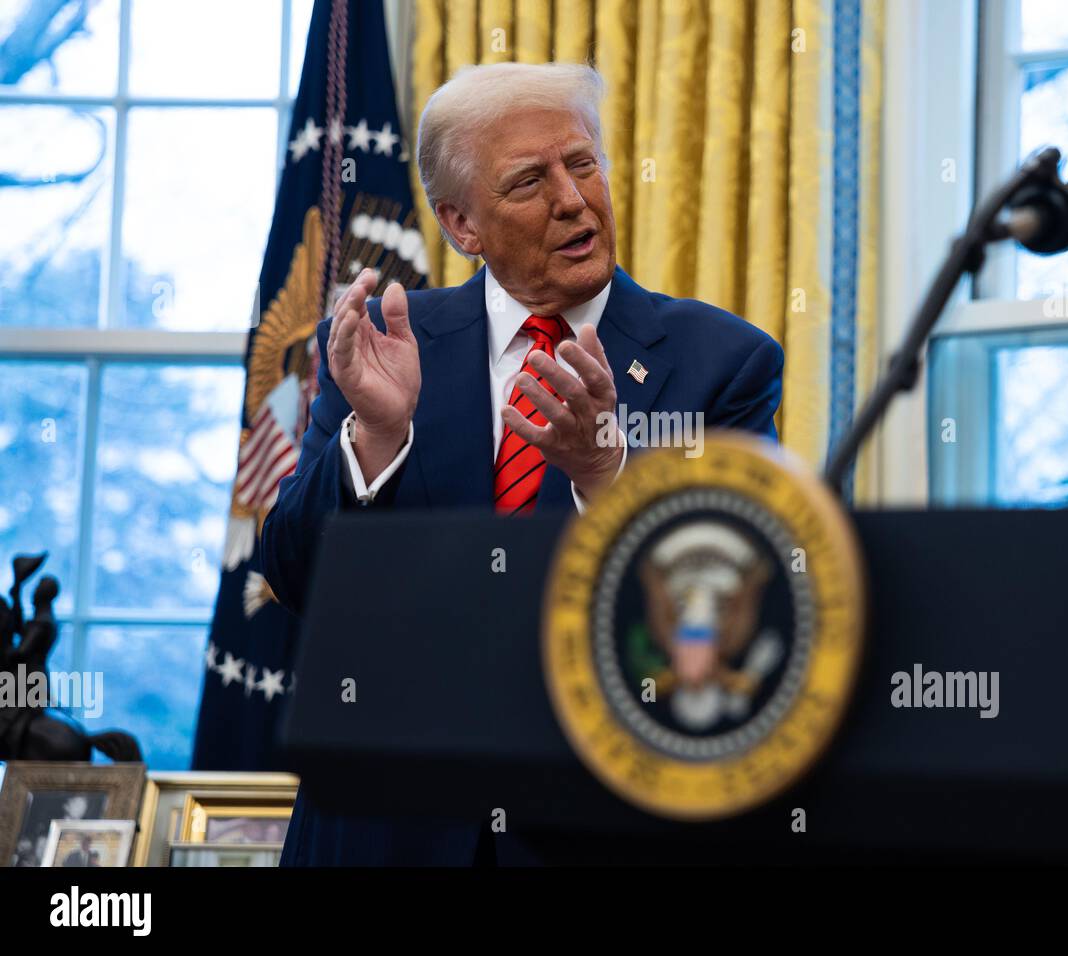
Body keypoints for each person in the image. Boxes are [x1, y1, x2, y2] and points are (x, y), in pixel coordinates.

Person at [264, 62, 784, 866]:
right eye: (529, 182)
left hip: (596, 830)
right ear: (462, 224)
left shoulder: (723, 363)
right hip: (381, 832)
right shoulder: (387, 350)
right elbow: (296, 577)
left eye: (583, 164)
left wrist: (605, 475)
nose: (574, 200)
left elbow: (744, 616)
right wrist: (375, 438)